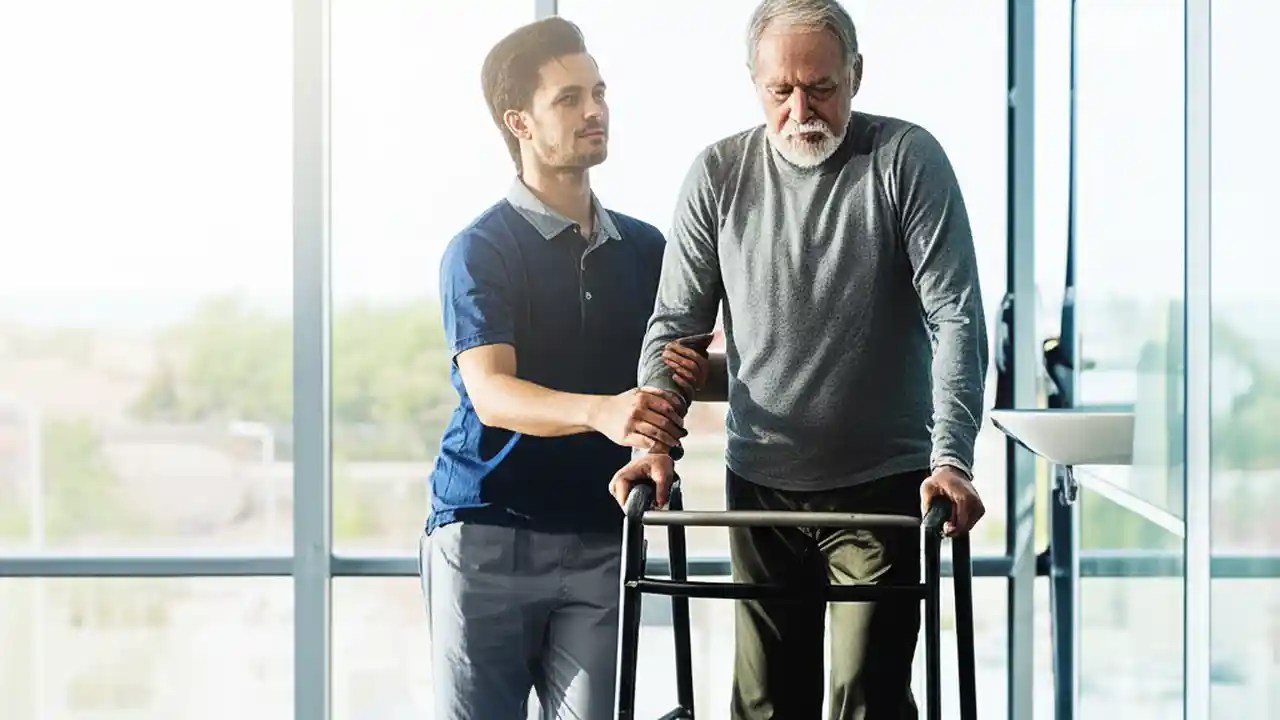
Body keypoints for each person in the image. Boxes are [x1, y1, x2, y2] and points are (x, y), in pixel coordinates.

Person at [610, 0, 989, 717]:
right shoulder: (717, 174)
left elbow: (957, 317)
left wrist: (953, 460)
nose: (800, 110)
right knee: (762, 702)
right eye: (780, 91)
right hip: (761, 488)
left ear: (856, 75)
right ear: (754, 84)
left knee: (864, 695)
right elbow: (675, 328)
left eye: (820, 88)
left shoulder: (905, 160)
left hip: (884, 489)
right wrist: (650, 445)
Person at [420, 17, 702, 719]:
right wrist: (602, 410)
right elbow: (491, 392)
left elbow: (674, 370)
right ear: (519, 121)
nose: (596, 110)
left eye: (599, 92)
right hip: (485, 533)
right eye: (569, 98)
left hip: (601, 533)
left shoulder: (646, 249)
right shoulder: (480, 249)